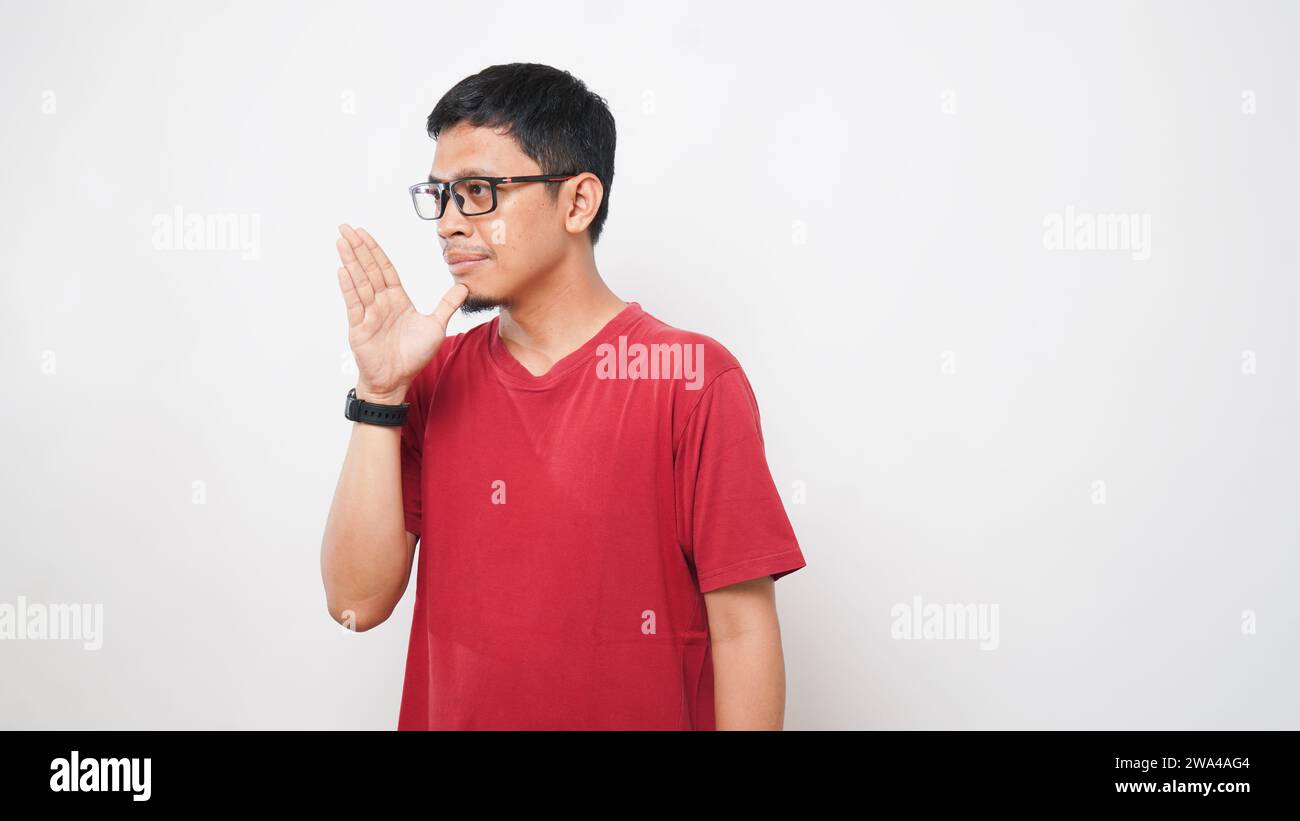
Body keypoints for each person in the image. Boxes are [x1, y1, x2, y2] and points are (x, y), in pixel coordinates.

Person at [320, 63, 807, 730]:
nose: (450, 223)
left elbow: (744, 634)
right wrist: (380, 391)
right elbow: (356, 600)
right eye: (442, 195)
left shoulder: (692, 379)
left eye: (481, 191)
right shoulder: (432, 379)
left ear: (577, 201)